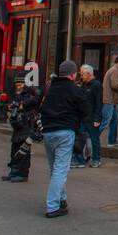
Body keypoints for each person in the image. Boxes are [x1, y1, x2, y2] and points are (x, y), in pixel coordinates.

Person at [38, 60, 90, 218]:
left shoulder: (50, 88)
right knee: (60, 169)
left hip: (48, 132)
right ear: (73, 74)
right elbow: (86, 110)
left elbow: (40, 107)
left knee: (55, 168)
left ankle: (62, 199)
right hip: (65, 131)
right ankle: (53, 205)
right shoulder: (75, 90)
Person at [3, 78, 40, 182]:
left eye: (20, 84)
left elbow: (36, 99)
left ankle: (23, 174)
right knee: (14, 149)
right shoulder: (18, 95)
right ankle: (14, 171)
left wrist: (23, 104)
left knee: (24, 150)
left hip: (26, 125)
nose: (18, 87)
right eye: (17, 85)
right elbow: (14, 105)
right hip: (18, 125)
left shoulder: (30, 93)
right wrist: (10, 107)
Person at [77, 64, 103, 167]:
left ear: (88, 74)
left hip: (92, 118)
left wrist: (97, 118)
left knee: (94, 139)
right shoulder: (84, 85)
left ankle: (96, 159)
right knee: (80, 138)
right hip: (83, 117)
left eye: (82, 74)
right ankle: (80, 160)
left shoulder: (96, 85)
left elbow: (99, 103)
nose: (81, 76)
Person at [100, 56, 118, 147]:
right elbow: (114, 85)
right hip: (109, 100)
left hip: (111, 100)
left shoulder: (112, 70)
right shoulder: (115, 71)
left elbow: (116, 81)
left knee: (114, 120)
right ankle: (93, 139)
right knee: (105, 121)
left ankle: (112, 140)